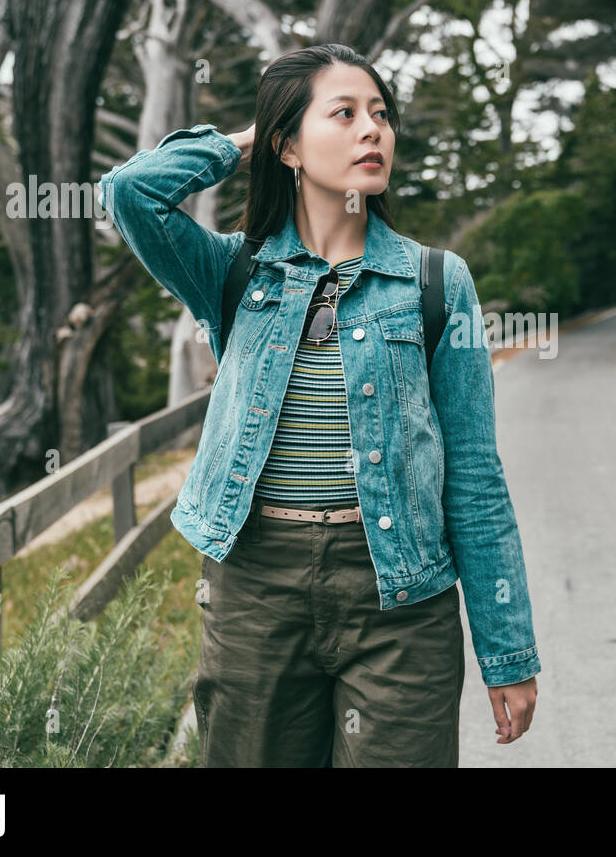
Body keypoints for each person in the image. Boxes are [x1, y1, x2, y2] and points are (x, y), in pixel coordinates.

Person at [96, 44, 540, 767]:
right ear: (290, 146)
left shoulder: (436, 282)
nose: (373, 130)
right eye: (345, 114)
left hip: (401, 595)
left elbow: (476, 477)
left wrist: (508, 651)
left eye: (382, 115)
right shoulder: (233, 269)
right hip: (256, 591)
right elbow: (130, 194)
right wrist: (251, 141)